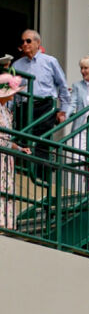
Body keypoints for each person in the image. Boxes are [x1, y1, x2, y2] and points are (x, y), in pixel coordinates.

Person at [0, 73, 20, 229]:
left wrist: (19, 148)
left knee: (7, 187)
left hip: (7, 155)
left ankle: (7, 223)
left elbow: (7, 138)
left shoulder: (7, 112)